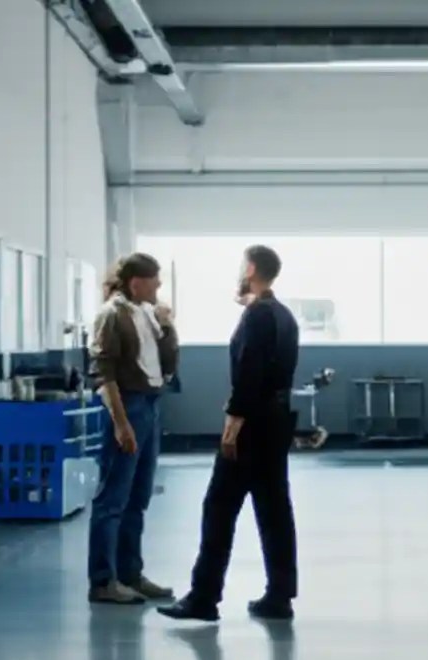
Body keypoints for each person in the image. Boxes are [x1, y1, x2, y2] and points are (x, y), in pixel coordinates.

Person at [159, 244, 300, 622]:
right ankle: (280, 594)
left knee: (219, 507)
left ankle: (204, 597)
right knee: (274, 509)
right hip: (277, 420)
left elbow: (249, 373)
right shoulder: (283, 315)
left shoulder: (257, 316)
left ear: (251, 268)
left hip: (251, 424)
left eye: (242, 265)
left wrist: (232, 425)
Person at [86, 252, 180, 605]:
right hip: (128, 405)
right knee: (112, 498)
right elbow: (104, 374)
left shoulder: (145, 313)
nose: (159, 285)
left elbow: (169, 362)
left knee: (137, 497)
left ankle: (130, 573)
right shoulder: (111, 314)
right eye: (155, 279)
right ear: (136, 282)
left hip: (150, 404)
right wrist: (121, 423)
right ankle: (102, 581)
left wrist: (168, 325)